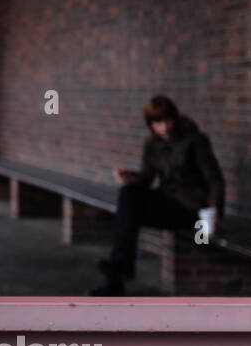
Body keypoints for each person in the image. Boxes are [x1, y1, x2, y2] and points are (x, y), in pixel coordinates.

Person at [90, 95, 225, 296]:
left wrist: (213, 212)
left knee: (129, 204)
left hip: (192, 209)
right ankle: (117, 276)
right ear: (150, 124)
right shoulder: (152, 144)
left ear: (175, 118)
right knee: (128, 194)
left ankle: (119, 269)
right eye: (157, 122)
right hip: (167, 201)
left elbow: (215, 179)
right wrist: (129, 176)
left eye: (167, 120)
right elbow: (147, 179)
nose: (164, 127)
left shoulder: (194, 140)